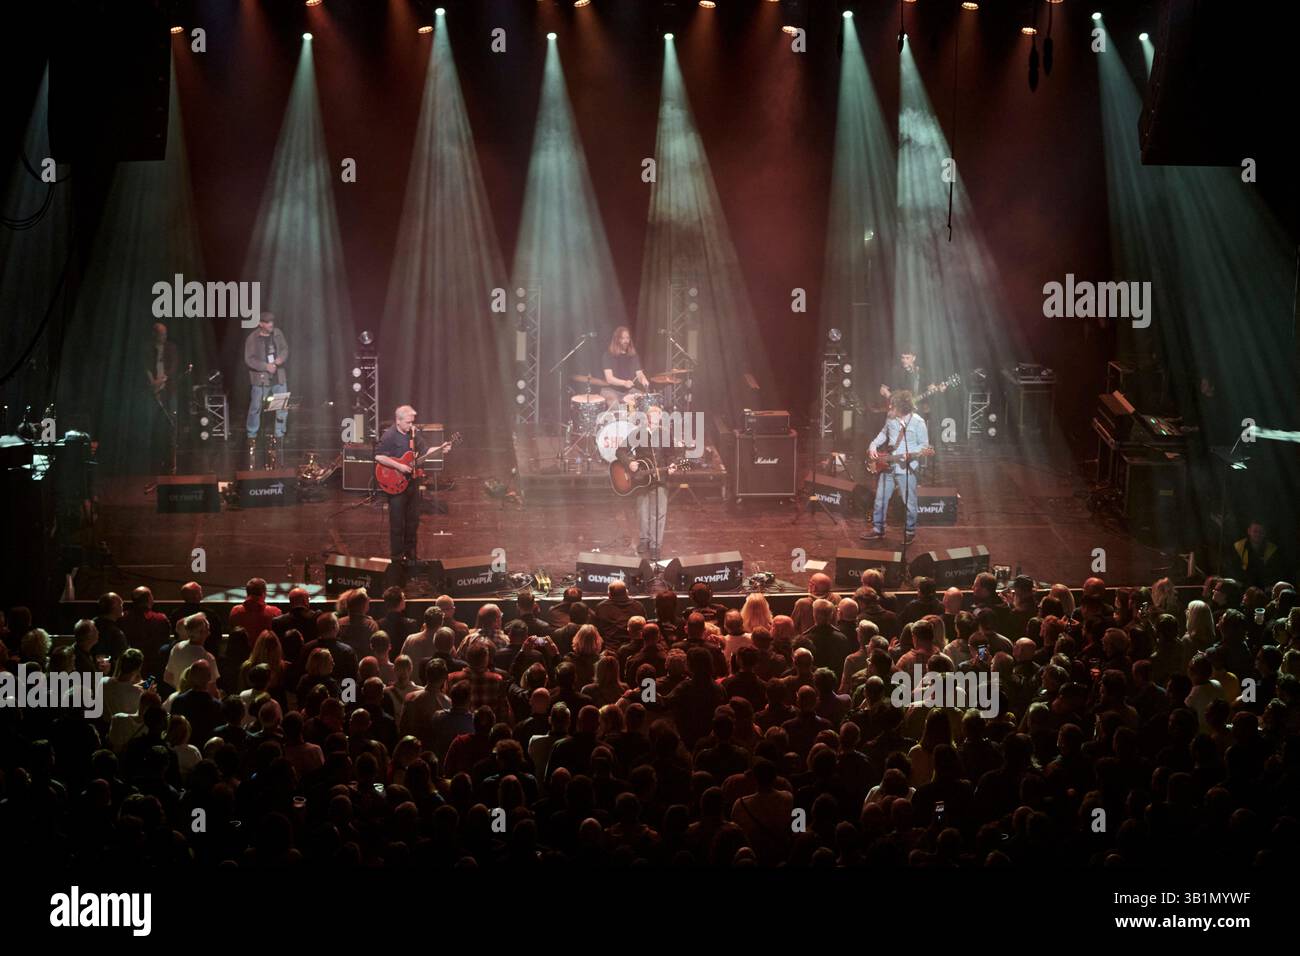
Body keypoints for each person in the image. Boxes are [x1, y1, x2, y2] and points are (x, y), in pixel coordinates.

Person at [373, 405, 453, 564]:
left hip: (412, 484)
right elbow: (378, 456)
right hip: (395, 484)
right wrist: (399, 466)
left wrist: (441, 448)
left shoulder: (413, 434)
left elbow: (426, 451)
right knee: (397, 524)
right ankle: (396, 558)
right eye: (408, 422)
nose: (411, 425)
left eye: (412, 422)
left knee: (412, 522)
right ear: (398, 420)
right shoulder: (389, 435)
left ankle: (411, 556)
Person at [863, 391, 929, 545]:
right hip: (888, 466)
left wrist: (911, 455)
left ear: (902, 407)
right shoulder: (890, 418)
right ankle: (878, 529)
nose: (890, 406)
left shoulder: (918, 422)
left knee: (909, 502)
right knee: (880, 499)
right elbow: (883, 434)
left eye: (893, 405)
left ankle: (910, 531)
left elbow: (924, 446)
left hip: (906, 469)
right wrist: (873, 444)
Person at [614, 404, 670, 557]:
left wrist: (673, 466)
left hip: (660, 478)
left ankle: (655, 546)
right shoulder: (638, 433)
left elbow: (673, 455)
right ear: (647, 418)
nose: (655, 419)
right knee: (642, 511)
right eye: (652, 416)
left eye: (658, 416)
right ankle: (644, 540)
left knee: (658, 513)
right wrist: (629, 463)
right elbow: (620, 451)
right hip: (641, 479)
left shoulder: (666, 434)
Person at [244, 312, 289, 457]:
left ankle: (279, 434)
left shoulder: (278, 333)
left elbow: (285, 349)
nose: (271, 324)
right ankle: (252, 435)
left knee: (282, 407)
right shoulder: (252, 338)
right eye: (268, 322)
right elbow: (249, 360)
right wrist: (265, 366)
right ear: (261, 324)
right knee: (256, 408)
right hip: (261, 379)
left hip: (278, 378)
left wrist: (280, 359)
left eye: (272, 321)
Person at [145, 322, 181, 473]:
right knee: (153, 426)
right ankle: (153, 462)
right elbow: (145, 366)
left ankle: (172, 463)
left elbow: (174, 366)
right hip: (152, 391)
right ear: (155, 334)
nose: (164, 337)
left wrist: (163, 379)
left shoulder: (171, 348)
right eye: (161, 334)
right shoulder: (148, 348)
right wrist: (152, 382)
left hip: (168, 391)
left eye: (165, 334)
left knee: (171, 425)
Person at [600, 325, 650, 409]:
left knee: (645, 399)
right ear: (617, 339)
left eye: (627, 338)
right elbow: (609, 378)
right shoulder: (608, 355)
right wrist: (624, 383)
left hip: (628, 391)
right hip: (610, 390)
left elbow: (639, 373)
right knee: (614, 404)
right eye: (622, 338)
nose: (626, 341)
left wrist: (643, 379)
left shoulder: (633, 356)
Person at [1228, 520, 1283, 589]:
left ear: (1265, 533)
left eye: (1261, 532)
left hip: (1264, 588)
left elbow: (1273, 572)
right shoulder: (1239, 547)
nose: (1258, 534)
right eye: (1255, 531)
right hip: (1243, 586)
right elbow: (1234, 570)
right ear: (1249, 531)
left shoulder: (1271, 549)